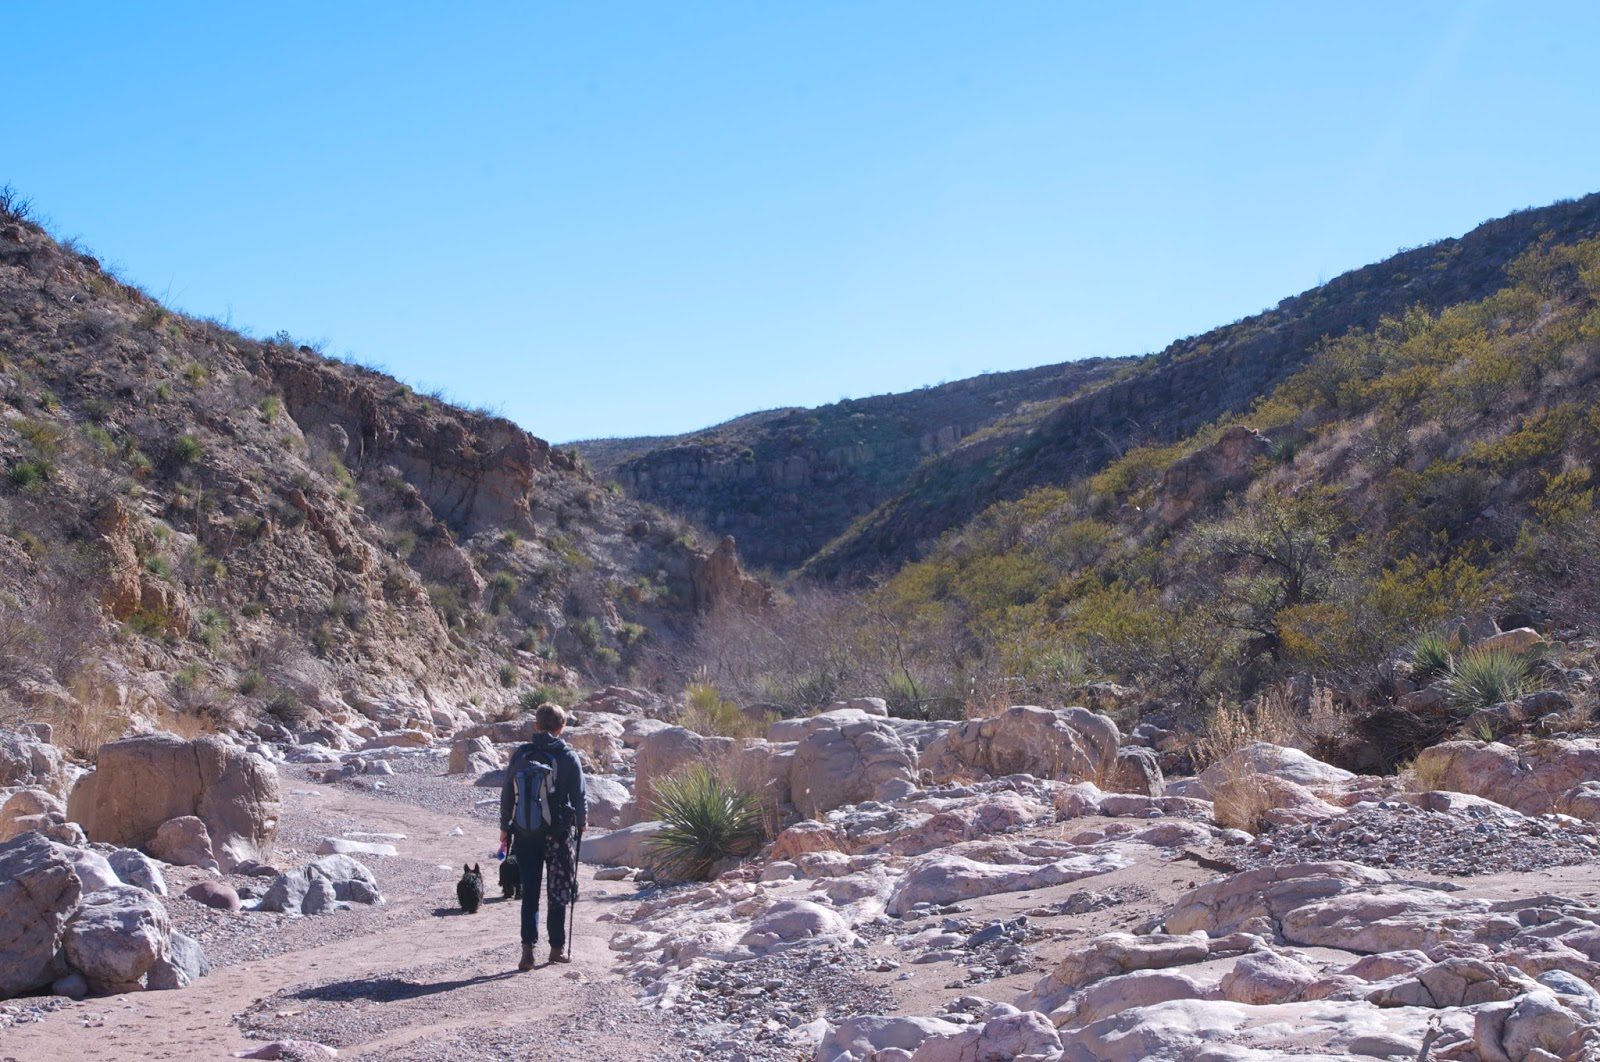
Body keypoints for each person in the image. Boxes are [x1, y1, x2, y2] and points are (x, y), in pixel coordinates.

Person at [499, 703, 586, 970]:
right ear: (561, 728)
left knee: (530, 893)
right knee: (558, 891)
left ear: (536, 725)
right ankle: (556, 949)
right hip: (558, 834)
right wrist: (581, 824)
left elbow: (507, 793)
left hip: (526, 832)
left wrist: (505, 827)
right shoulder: (568, 756)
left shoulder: (522, 754)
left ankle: (528, 952)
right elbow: (579, 795)